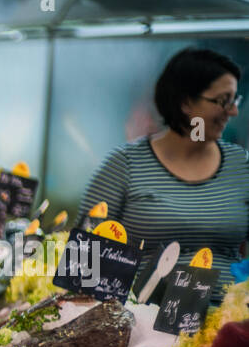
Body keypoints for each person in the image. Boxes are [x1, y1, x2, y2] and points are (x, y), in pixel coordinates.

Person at [78, 47, 249, 303]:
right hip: (143, 330)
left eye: (235, 100)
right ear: (186, 103)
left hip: (226, 328)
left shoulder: (240, 164)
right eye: (223, 101)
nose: (233, 111)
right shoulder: (124, 165)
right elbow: (83, 263)